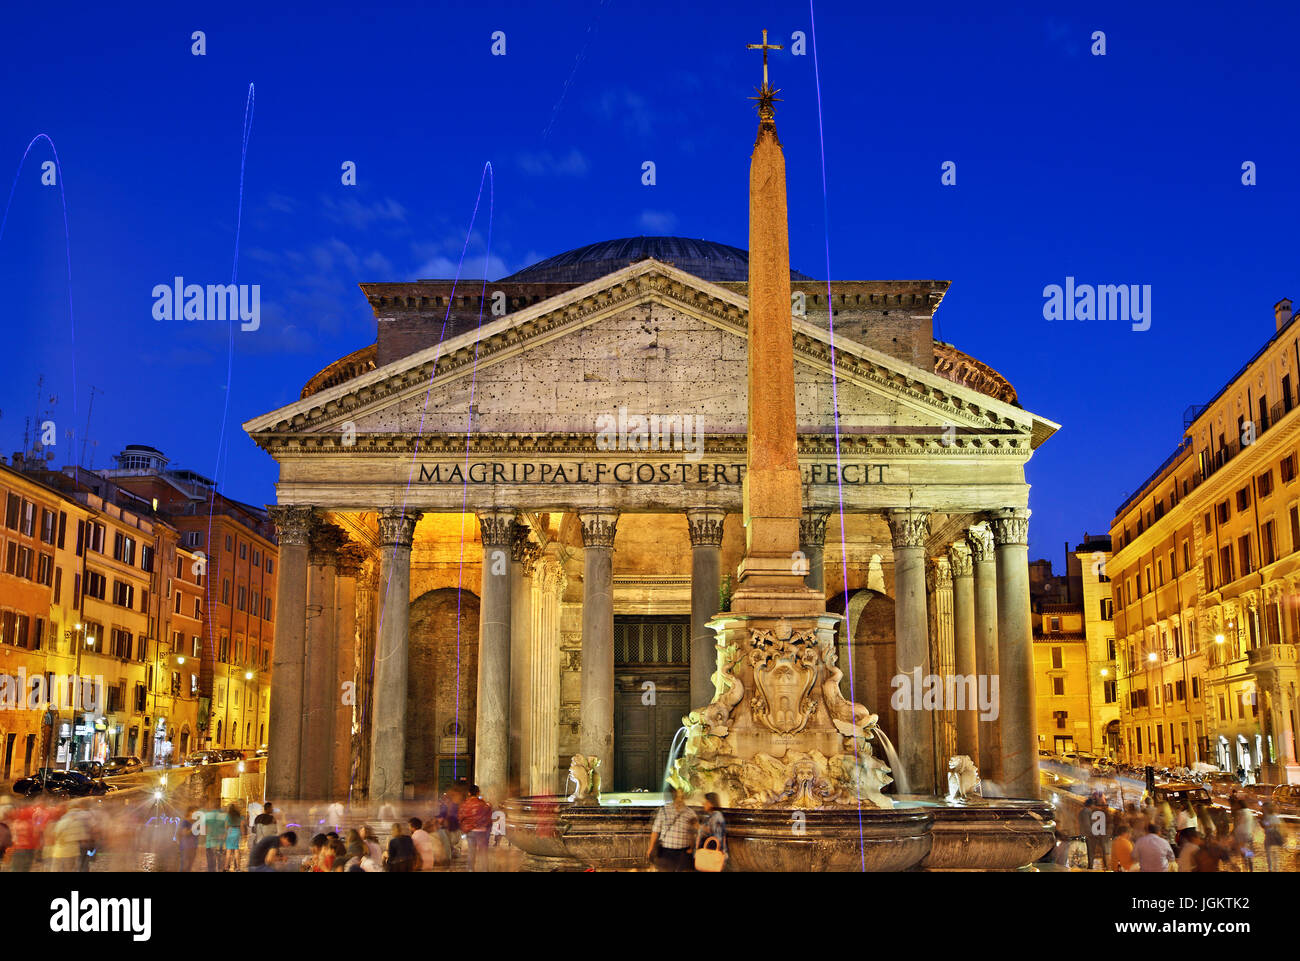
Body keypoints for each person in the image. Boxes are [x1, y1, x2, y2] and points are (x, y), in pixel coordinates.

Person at [646, 786, 698, 872]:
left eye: (682, 796)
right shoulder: (664, 811)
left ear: (684, 797)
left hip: (683, 853)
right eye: (678, 796)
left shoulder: (691, 813)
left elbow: (694, 833)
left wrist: (692, 848)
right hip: (666, 852)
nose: (680, 798)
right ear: (674, 797)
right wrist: (651, 847)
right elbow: (655, 831)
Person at [458, 784, 492, 873]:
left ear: (469, 793)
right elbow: (489, 817)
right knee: (483, 852)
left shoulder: (465, 804)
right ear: (478, 793)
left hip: (469, 831)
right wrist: (486, 827)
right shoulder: (483, 804)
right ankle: (484, 870)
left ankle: (470, 869)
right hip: (481, 831)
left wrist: (464, 828)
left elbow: (460, 817)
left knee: (471, 852)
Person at [1230, 798, 1257, 872]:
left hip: (1241, 834)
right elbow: (1253, 824)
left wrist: (1232, 833)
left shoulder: (1239, 812)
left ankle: (1245, 869)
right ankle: (1251, 869)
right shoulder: (1249, 812)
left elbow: (1238, 824)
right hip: (1249, 834)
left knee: (1243, 852)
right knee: (1247, 852)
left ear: (1240, 805)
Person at [201, 802, 225, 872]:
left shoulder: (207, 815)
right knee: (220, 861)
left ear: (212, 806)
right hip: (220, 842)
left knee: (211, 863)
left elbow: (204, 829)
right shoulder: (223, 815)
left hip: (210, 842)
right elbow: (225, 828)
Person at [1261, 801, 1284, 872]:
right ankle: (1275, 869)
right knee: (1274, 854)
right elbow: (1279, 826)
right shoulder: (1274, 816)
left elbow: (1265, 826)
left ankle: (1270, 869)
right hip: (1273, 836)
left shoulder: (1267, 817)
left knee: (1269, 854)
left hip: (1269, 836)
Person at [224, 804, 244, 871]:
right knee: (236, 850)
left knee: (228, 850)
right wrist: (243, 834)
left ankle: (226, 867)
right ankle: (238, 868)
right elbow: (242, 826)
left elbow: (226, 826)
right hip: (237, 831)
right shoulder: (239, 816)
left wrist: (226, 833)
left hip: (230, 831)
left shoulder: (228, 816)